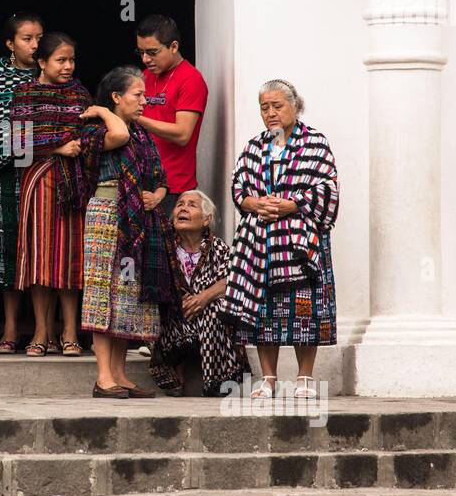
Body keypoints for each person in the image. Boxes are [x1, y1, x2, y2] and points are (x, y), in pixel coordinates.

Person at [225, 80, 339, 400]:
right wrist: (255, 204)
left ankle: (304, 377)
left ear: (294, 106)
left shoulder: (315, 142)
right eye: (265, 107)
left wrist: (293, 205)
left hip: (301, 243)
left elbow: (327, 190)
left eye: (278, 106)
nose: (271, 113)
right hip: (261, 242)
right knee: (265, 312)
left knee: (306, 308)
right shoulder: (254, 146)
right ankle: (269, 378)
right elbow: (239, 190)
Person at [79, 66, 173, 398]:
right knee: (103, 294)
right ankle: (103, 377)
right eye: (138, 95)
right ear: (117, 97)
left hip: (135, 223)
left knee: (126, 295)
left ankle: (119, 374)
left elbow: (161, 181)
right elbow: (118, 136)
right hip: (106, 219)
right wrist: (104, 109)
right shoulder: (94, 129)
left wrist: (154, 197)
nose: (145, 101)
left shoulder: (144, 134)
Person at [10, 32, 92, 357]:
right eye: (61, 60)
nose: (68, 66)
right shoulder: (25, 93)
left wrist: (76, 145)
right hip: (40, 182)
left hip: (73, 185)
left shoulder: (81, 93)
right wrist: (59, 145)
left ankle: (70, 331)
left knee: (70, 258)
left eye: (71, 59)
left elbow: (91, 135)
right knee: (41, 259)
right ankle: (42, 332)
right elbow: (18, 143)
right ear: (42, 62)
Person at [0, 13, 42, 353]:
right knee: (10, 248)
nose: (35, 45)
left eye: (38, 38)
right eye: (27, 39)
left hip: (45, 173)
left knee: (41, 247)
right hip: (7, 174)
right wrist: (37, 140)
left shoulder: (52, 71)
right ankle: (12, 326)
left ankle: (44, 330)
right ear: (9, 43)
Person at [148, 190, 250, 396]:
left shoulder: (218, 248)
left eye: (192, 205)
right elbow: (152, 281)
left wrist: (203, 298)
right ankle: (173, 370)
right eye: (179, 204)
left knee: (215, 307)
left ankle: (218, 380)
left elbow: (232, 279)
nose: (183, 208)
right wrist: (177, 300)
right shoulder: (163, 246)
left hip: (209, 324)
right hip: (175, 324)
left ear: (206, 219)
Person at [134, 14, 209, 216]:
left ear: (173, 47)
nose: (145, 59)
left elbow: (182, 134)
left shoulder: (191, 79)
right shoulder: (146, 75)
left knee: (167, 248)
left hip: (174, 188)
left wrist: (137, 118)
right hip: (144, 183)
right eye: (141, 52)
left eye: (152, 52)